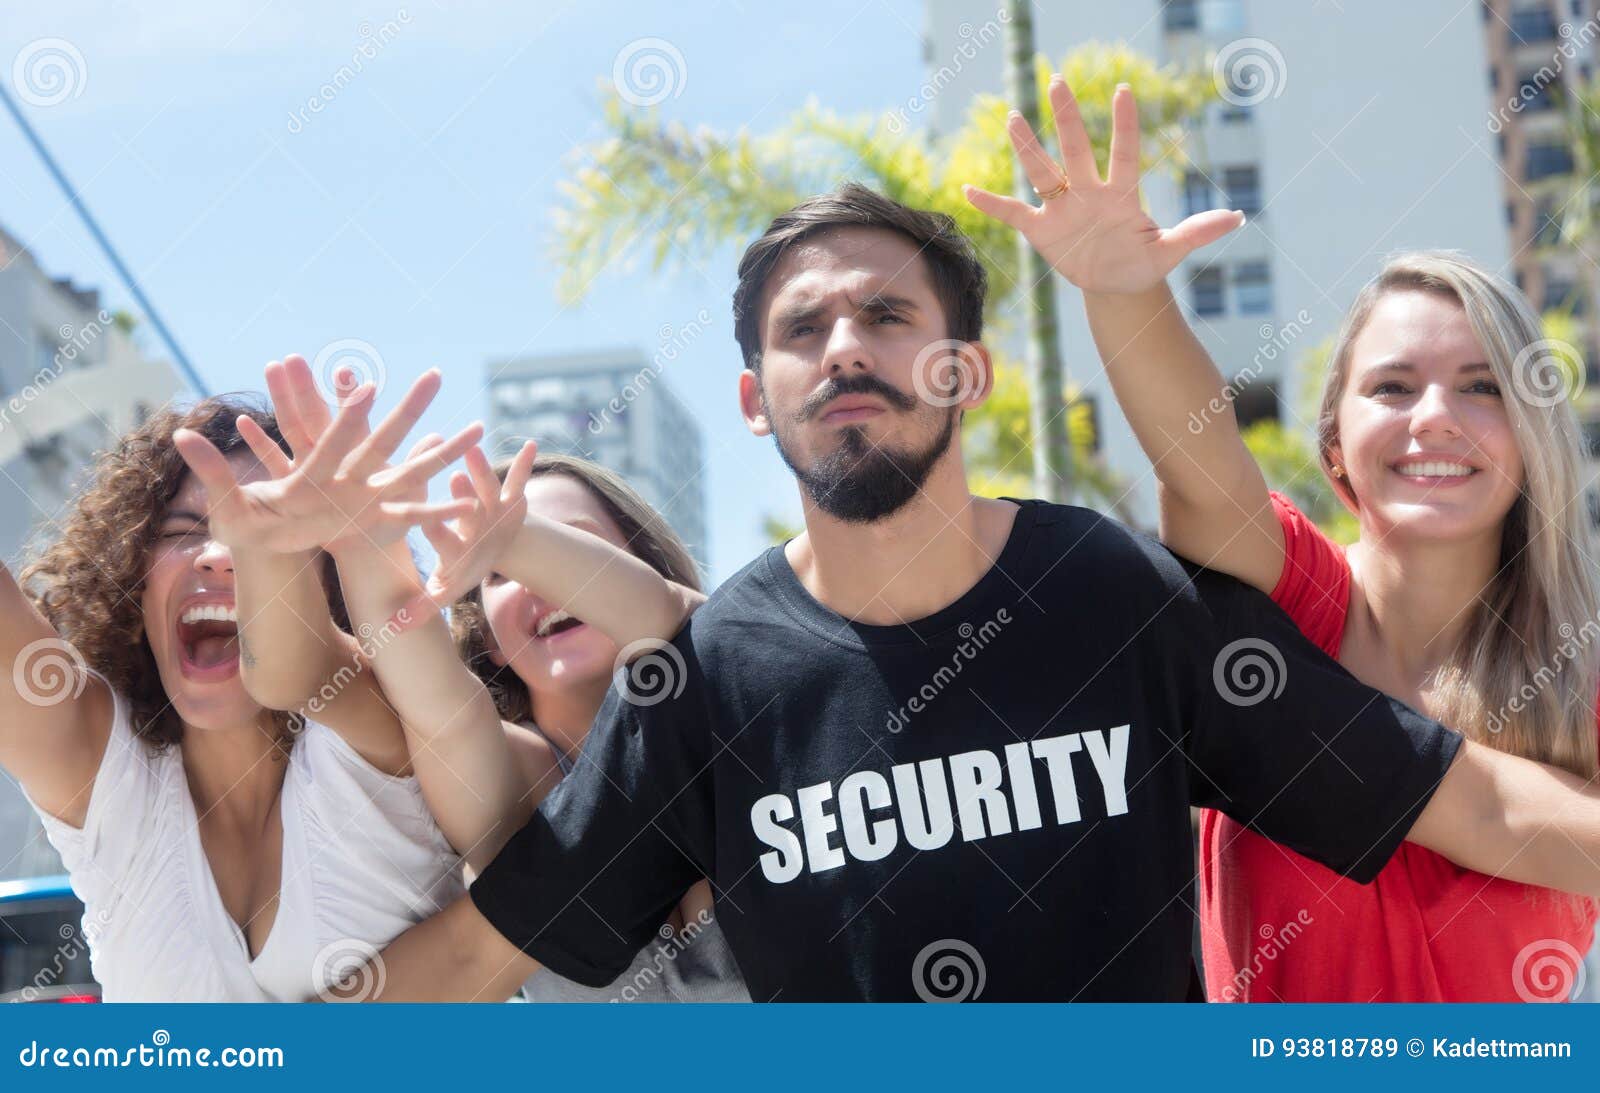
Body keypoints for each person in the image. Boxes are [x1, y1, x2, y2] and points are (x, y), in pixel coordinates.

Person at [353, 168, 1600, 1003]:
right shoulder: (707, 678)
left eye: (888, 316)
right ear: (753, 399)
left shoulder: (1116, 595)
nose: (846, 348)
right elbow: (471, 957)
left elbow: (1469, 801)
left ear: (967, 373)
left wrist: (1120, 288)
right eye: (803, 330)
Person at [963, 77, 1599, 1001]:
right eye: (1392, 387)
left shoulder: (1579, 672)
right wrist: (1124, 291)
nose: (1434, 417)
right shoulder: (1296, 602)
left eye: (1483, 387)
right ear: (1334, 444)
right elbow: (1198, 464)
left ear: (1533, 435)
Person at [178, 354, 748, 1002]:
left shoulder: (752, 691)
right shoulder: (525, 776)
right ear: (492, 642)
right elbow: (438, 702)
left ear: (644, 563)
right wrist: (364, 539)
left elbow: (675, 621)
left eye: (565, 544)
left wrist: (513, 542)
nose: (534, 581)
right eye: (498, 574)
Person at [2, 372, 480, 1000]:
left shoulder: (375, 727)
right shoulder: (106, 776)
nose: (218, 552)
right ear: (135, 593)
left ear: (331, 592)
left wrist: (273, 541)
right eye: (182, 531)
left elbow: (299, 668)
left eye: (271, 527)